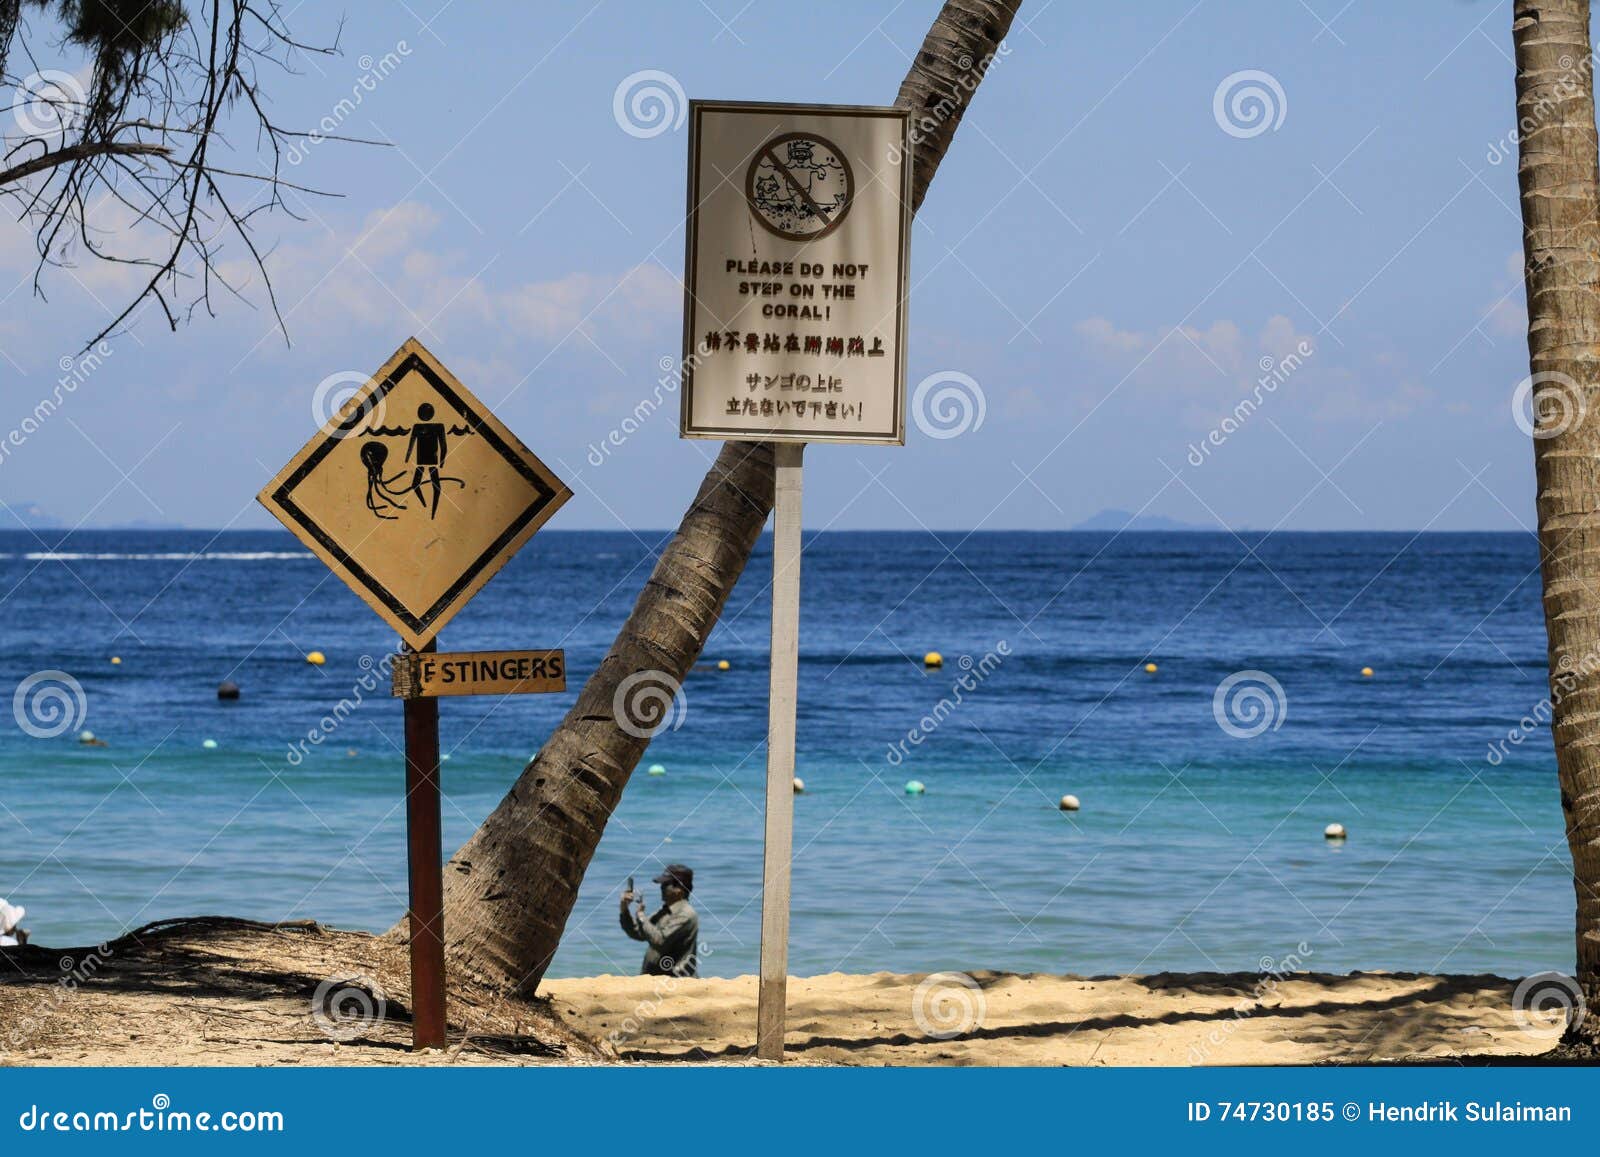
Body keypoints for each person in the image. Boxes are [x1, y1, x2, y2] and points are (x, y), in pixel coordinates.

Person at [619, 864, 699, 977]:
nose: (661, 888)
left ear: (679, 889)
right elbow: (637, 933)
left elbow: (660, 941)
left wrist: (641, 916)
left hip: (674, 980)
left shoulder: (686, 914)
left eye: (665, 885)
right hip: (656, 978)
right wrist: (624, 908)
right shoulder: (664, 911)